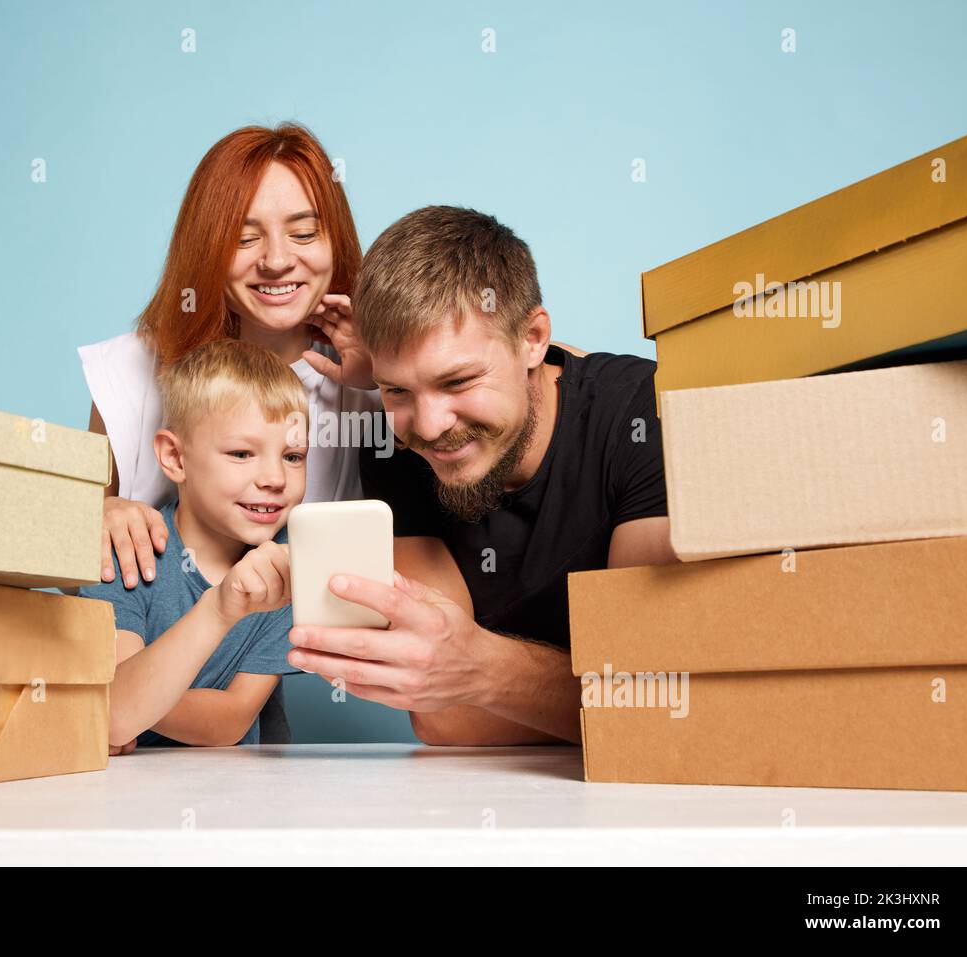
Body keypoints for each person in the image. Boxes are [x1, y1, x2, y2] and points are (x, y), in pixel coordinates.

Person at [286, 205, 679, 745]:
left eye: (457, 382)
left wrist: (479, 669)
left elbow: (653, 698)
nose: (429, 426)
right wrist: (583, 691)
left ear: (533, 339)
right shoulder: (392, 446)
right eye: (397, 389)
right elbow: (443, 715)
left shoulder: (643, 414)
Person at [75, 123, 380, 743]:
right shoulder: (132, 372)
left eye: (304, 233)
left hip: (240, 751)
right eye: (244, 238)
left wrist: (389, 372)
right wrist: (89, 514)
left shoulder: (380, 380)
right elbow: (62, 562)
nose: (277, 259)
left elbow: (511, 367)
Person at [79, 340, 306, 753]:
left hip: (235, 785)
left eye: (293, 456)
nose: (275, 478)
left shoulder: (288, 566)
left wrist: (128, 698)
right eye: (242, 453)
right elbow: (114, 717)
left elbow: (229, 722)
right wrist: (219, 608)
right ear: (175, 458)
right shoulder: (125, 548)